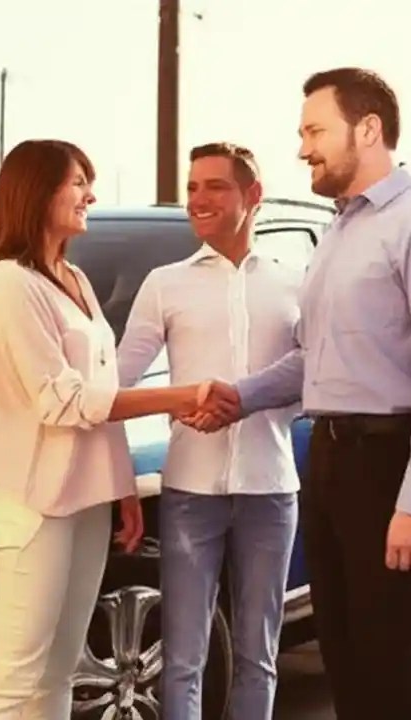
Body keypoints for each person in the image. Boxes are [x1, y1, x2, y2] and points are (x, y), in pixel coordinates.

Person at [225, 68, 411, 719]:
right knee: (346, 663)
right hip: (332, 461)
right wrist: (239, 396)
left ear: (367, 129)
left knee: (399, 669)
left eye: (315, 131)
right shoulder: (340, 229)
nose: (303, 148)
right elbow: (317, 356)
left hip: (388, 465)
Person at [0, 138, 237, 720]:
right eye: (78, 183)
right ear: (37, 191)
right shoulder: (9, 283)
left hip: (87, 500)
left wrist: (123, 489)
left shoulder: (74, 279)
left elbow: (103, 384)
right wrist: (182, 394)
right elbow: (63, 401)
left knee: (60, 670)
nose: (89, 195)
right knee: (18, 673)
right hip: (35, 504)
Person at [115, 142, 302, 720]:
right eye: (192, 187)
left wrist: (246, 401)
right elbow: (115, 386)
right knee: (183, 658)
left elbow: (316, 371)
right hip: (189, 491)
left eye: (215, 186)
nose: (198, 199)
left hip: (271, 489)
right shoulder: (164, 284)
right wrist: (123, 479)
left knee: (258, 656)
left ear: (253, 195)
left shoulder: (295, 284)